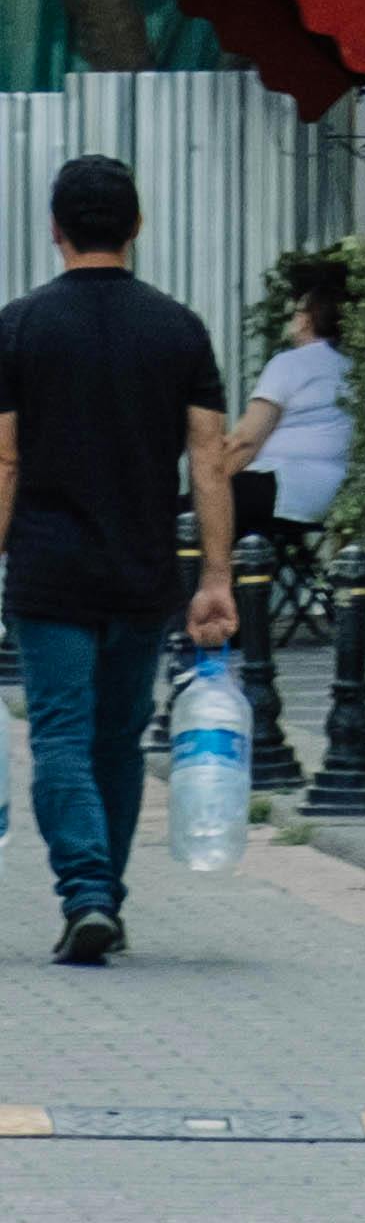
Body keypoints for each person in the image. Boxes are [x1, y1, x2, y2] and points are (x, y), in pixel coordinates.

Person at [0, 154, 238, 964]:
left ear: (56, 229)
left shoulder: (19, 325)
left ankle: (88, 894)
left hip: (47, 567)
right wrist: (214, 578)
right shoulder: (179, 328)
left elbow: (2, 462)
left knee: (61, 732)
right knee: (119, 735)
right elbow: (209, 460)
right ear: (136, 227)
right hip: (143, 569)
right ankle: (107, 896)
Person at [227, 274, 355, 562]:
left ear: (306, 320)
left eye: (296, 311)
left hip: (283, 485)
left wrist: (211, 477)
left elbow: (246, 441)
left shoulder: (289, 363)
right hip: (331, 496)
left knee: (186, 510)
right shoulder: (351, 369)